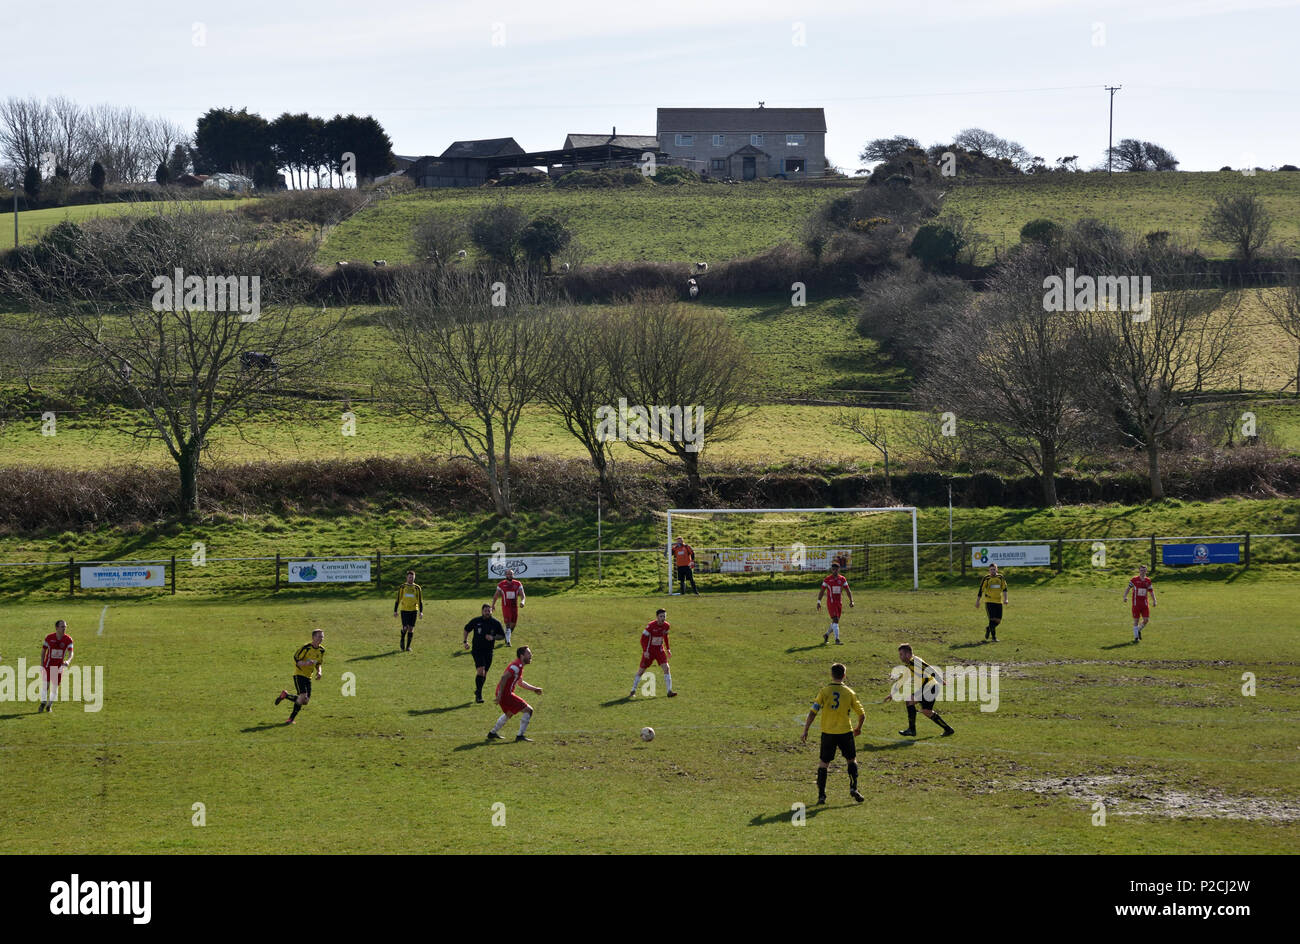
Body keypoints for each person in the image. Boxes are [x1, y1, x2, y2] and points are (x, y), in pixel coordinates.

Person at [801, 662, 866, 804]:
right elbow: (862, 714)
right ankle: (853, 787)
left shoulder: (824, 692)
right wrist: (858, 728)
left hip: (828, 732)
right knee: (851, 759)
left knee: (824, 763)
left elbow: (813, 712)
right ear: (844, 675)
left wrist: (805, 729)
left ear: (831, 675)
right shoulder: (849, 693)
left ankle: (821, 795)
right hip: (845, 732)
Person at [886, 644, 954, 738]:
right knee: (927, 712)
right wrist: (891, 694)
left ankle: (911, 730)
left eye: (901, 654)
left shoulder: (916, 661)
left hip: (930, 687)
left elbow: (930, 669)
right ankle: (948, 729)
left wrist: (940, 680)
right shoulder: (909, 664)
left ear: (907, 654)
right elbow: (902, 679)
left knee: (909, 700)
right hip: (928, 688)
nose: (900, 657)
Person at [487, 646, 542, 742]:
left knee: (509, 713)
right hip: (505, 694)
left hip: (503, 693)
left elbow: (520, 683)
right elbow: (504, 677)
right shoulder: (517, 666)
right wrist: (500, 695)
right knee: (529, 710)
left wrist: (534, 689)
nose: (531, 655)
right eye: (528, 653)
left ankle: (492, 733)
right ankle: (520, 736)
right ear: (522, 656)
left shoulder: (519, 666)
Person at [276, 629, 325, 725]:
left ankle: (285, 695)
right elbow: (296, 659)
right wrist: (305, 663)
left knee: (305, 701)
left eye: (322, 636)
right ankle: (290, 719)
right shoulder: (306, 648)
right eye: (319, 636)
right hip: (299, 674)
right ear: (313, 637)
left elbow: (318, 664)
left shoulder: (322, 650)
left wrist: (319, 672)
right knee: (302, 697)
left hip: (308, 677)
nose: (321, 638)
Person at [629, 609, 677, 699]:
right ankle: (633, 690)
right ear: (657, 617)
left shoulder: (666, 626)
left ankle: (669, 691)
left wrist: (668, 649)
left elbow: (666, 637)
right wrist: (645, 651)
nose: (663, 618)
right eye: (661, 616)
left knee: (666, 668)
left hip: (659, 650)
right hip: (649, 651)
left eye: (664, 616)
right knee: (641, 670)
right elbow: (642, 639)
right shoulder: (650, 626)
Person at [463, 604, 505, 703]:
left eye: (489, 611)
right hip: (477, 650)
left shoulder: (496, 623)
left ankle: (478, 691)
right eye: (485, 610)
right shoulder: (476, 621)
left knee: (484, 674)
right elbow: (466, 629)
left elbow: (502, 636)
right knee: (481, 671)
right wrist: (465, 642)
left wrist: (493, 637)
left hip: (489, 651)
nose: (487, 612)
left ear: (491, 611)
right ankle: (479, 695)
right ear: (482, 611)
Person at [38, 619, 74, 713]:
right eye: (62, 627)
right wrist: (42, 666)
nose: (64, 628)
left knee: (55, 687)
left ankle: (49, 705)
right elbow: (43, 652)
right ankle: (42, 703)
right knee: (46, 685)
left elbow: (71, 653)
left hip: (59, 666)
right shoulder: (49, 638)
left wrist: (68, 660)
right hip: (48, 664)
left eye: (65, 626)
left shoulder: (68, 639)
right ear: (57, 627)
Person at [816, 561, 854, 645]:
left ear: (838, 570)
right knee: (835, 620)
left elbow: (848, 590)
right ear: (831, 570)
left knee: (835, 622)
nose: (834, 571)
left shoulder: (842, 579)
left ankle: (826, 635)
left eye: (836, 570)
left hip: (839, 603)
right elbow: (822, 591)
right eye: (833, 569)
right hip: (831, 603)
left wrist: (851, 600)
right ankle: (837, 640)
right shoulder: (827, 579)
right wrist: (819, 602)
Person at [1123, 564, 1156, 642]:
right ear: (1139, 571)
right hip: (1136, 604)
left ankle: (1138, 630)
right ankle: (1136, 637)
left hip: (1144, 604)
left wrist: (1154, 600)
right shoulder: (1134, 579)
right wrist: (1125, 596)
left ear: (1146, 571)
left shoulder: (1148, 580)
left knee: (1146, 620)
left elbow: (1151, 591)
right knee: (1136, 621)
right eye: (1141, 570)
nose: (1142, 572)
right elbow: (1128, 588)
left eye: (1144, 570)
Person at [976, 563, 1009, 642]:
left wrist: (1006, 599)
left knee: (998, 621)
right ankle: (994, 637)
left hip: (998, 601)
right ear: (989, 570)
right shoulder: (986, 578)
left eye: (994, 569)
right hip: (989, 601)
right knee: (992, 619)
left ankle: (988, 628)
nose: (992, 571)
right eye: (991, 569)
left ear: (996, 569)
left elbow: (1005, 589)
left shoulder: (1000, 577)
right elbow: (981, 590)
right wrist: (977, 601)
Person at [492, 569, 525, 646]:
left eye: (511, 574)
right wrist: (493, 604)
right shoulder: (501, 584)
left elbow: (522, 595)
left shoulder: (518, 584)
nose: (510, 575)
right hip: (506, 607)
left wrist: (522, 601)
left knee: (513, 624)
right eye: (508, 574)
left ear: (513, 575)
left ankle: (506, 636)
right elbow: (496, 595)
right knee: (507, 623)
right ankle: (508, 641)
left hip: (514, 607)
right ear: (505, 575)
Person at [393, 570, 423, 652]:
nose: (411, 579)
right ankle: (402, 638)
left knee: (411, 628)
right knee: (405, 627)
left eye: (413, 577)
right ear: (407, 577)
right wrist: (395, 610)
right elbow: (398, 599)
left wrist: (421, 612)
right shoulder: (402, 587)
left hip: (413, 610)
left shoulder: (417, 588)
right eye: (410, 577)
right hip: (404, 610)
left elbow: (420, 600)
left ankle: (408, 647)